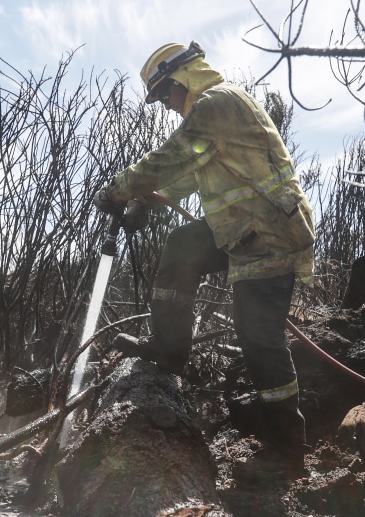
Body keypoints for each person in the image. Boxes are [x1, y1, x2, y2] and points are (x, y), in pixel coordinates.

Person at [93, 41, 316, 480]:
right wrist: (146, 206)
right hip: (243, 228)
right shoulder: (215, 111)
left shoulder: (217, 103)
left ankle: (287, 451)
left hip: (269, 233)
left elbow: (174, 156)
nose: (166, 106)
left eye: (164, 96)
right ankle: (169, 349)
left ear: (182, 80)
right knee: (181, 247)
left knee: (260, 339)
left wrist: (118, 189)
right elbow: (193, 170)